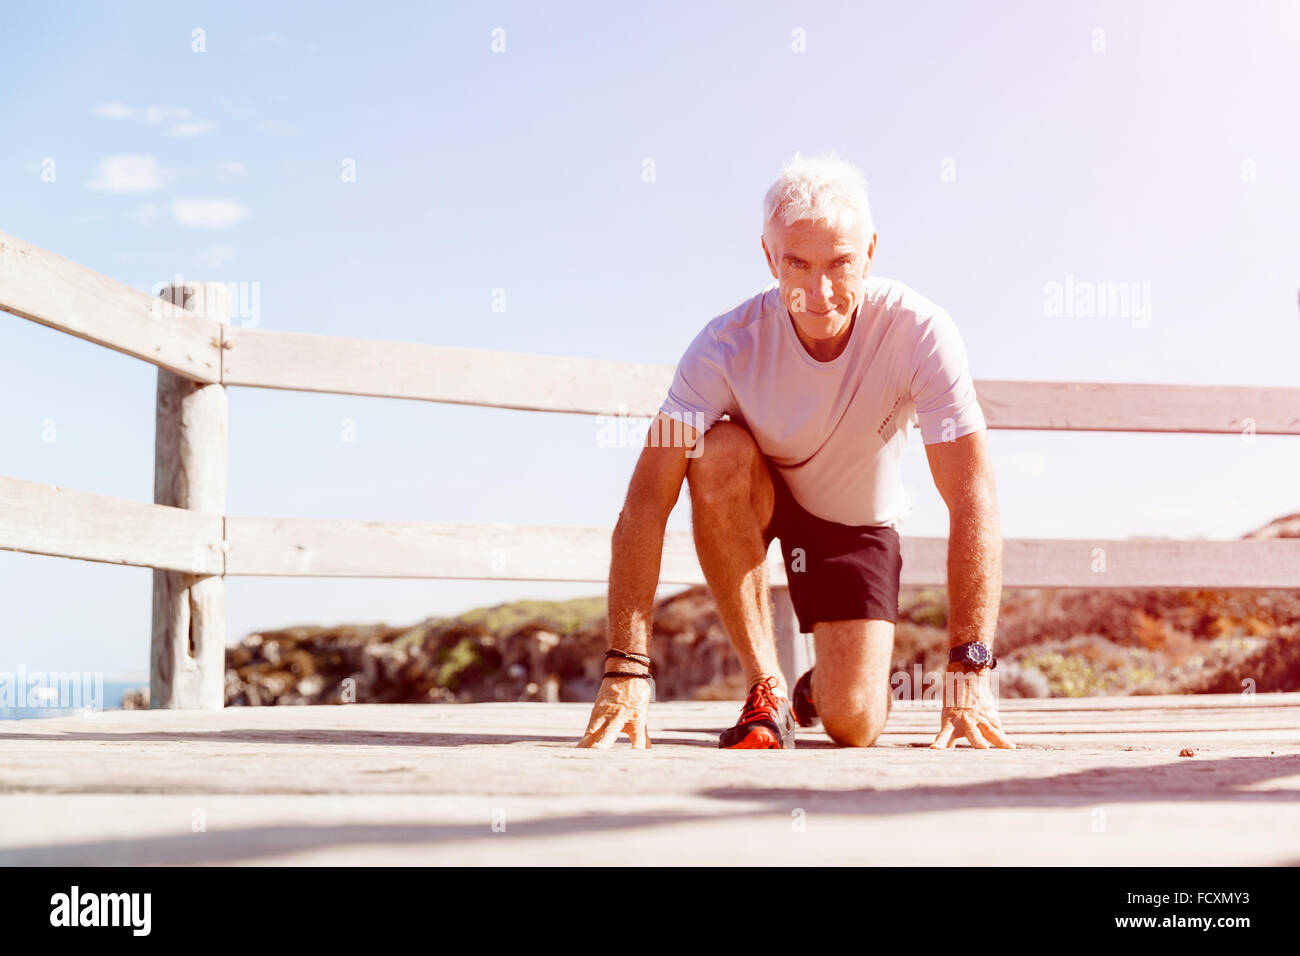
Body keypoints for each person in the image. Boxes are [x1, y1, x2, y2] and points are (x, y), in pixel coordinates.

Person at [577, 152, 1014, 751]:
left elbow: (972, 496)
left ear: (870, 251)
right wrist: (626, 668)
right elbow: (645, 502)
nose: (819, 292)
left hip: (852, 521)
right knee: (717, 451)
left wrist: (971, 667)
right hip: (756, 492)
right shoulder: (722, 349)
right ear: (767, 256)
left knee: (854, 722)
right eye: (796, 264)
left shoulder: (920, 333)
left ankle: (822, 685)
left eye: (840, 263)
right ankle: (767, 685)